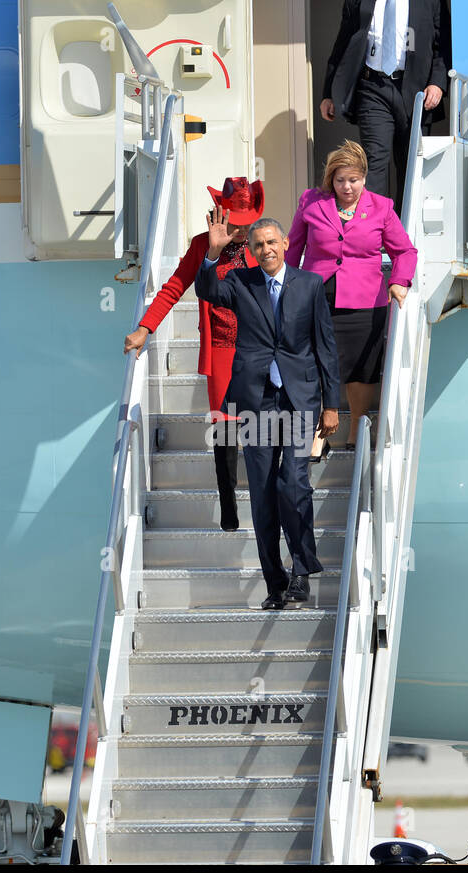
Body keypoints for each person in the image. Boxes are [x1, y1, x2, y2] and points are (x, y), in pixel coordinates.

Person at [195, 210, 340, 610]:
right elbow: (207, 291)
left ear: (285, 245)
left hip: (298, 398)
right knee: (261, 494)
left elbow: (325, 347)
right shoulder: (240, 281)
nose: (266, 249)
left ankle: (301, 570)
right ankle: (276, 585)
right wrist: (213, 252)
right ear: (254, 252)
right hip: (256, 402)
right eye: (259, 245)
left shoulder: (310, 284)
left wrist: (332, 404)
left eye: (272, 242)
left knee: (292, 485)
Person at [123, 177, 264, 531]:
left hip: (258, 345)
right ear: (219, 214)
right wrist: (145, 328)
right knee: (226, 427)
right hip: (220, 345)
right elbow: (175, 287)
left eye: (246, 224)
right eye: (235, 222)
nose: (241, 231)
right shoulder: (203, 245)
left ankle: (265, 500)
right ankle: (228, 505)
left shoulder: (263, 242)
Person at [287, 140, 417, 450]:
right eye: (340, 180)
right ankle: (319, 430)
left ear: (364, 178)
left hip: (364, 300)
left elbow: (405, 251)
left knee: (361, 365)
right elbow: (293, 249)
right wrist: (285, 287)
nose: (347, 187)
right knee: (315, 360)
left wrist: (399, 281)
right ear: (330, 179)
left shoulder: (382, 206)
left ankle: (358, 425)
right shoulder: (311, 202)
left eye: (354, 180)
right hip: (317, 297)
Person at [320, 0, 453, 207]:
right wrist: (329, 92)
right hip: (373, 87)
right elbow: (343, 41)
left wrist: (437, 83)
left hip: (417, 91)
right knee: (374, 161)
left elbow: (443, 42)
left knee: (411, 165)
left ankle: (404, 233)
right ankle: (374, 231)